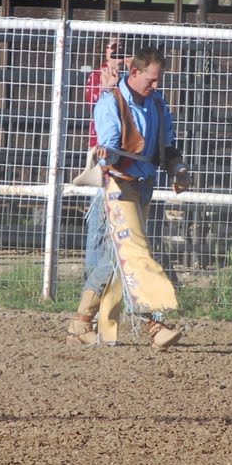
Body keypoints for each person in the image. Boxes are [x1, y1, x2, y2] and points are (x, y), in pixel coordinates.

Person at [70, 45, 192, 348]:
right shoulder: (110, 103)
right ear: (134, 72)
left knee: (116, 257)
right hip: (120, 186)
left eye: (158, 80)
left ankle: (81, 322)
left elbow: (168, 145)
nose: (156, 86)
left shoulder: (157, 104)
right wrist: (106, 154)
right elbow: (109, 145)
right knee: (136, 253)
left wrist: (177, 166)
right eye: (151, 80)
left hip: (143, 185)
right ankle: (155, 325)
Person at [67, 40, 125, 342]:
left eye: (122, 51)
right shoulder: (99, 79)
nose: (118, 56)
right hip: (102, 156)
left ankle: (91, 310)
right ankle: (89, 306)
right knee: (102, 231)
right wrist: (108, 87)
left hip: (117, 158)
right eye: (113, 50)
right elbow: (96, 104)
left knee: (108, 234)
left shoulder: (131, 81)